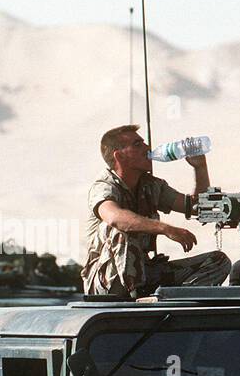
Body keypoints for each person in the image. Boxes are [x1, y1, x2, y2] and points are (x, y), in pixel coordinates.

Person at [83, 125, 230, 297]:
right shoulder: (104, 186)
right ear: (119, 156)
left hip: (145, 274)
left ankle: (172, 303)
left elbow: (198, 207)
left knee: (218, 261)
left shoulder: (151, 185)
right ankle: (135, 297)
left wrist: (200, 167)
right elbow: (115, 217)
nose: (147, 148)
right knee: (119, 229)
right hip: (108, 281)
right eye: (137, 144)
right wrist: (165, 229)